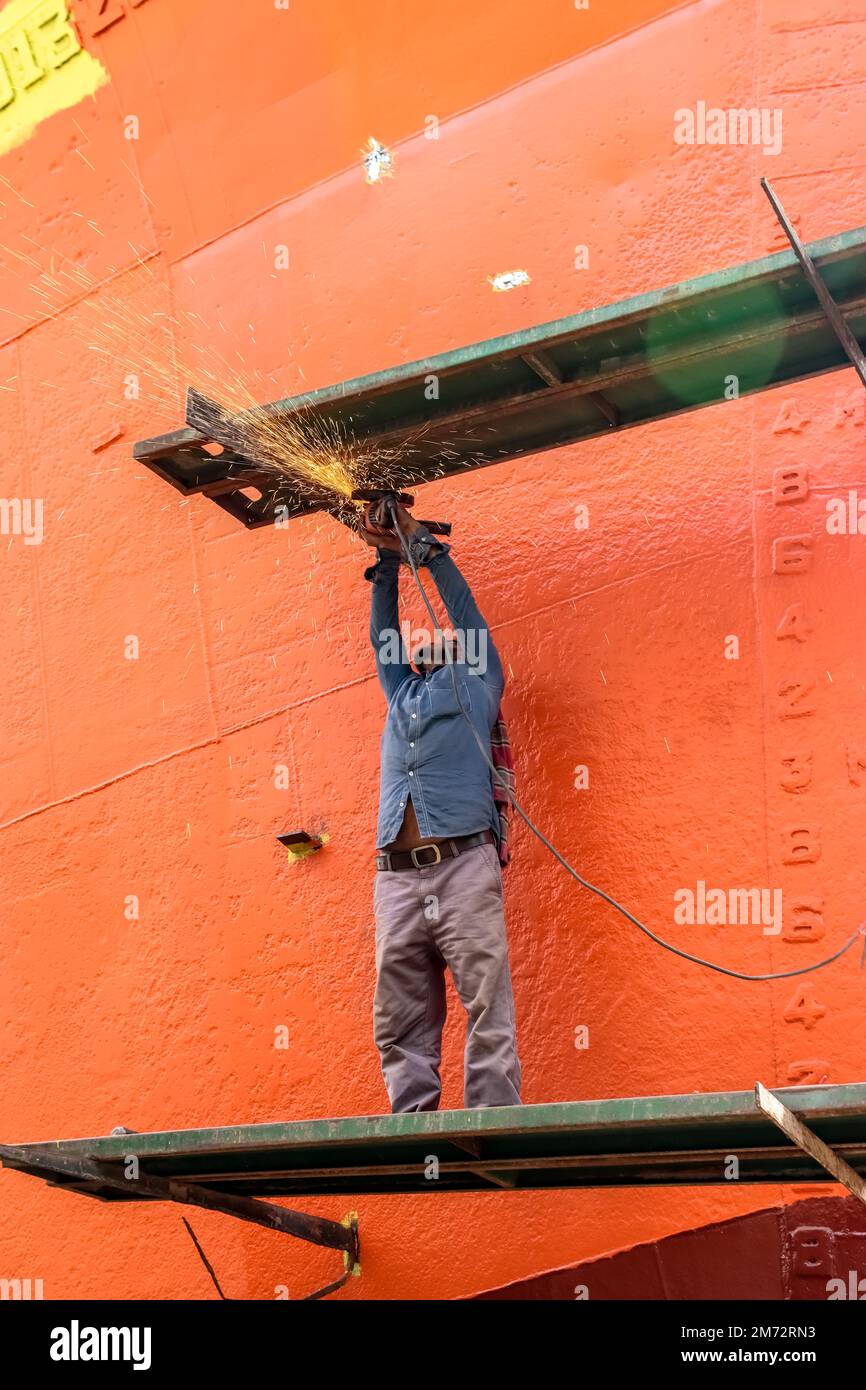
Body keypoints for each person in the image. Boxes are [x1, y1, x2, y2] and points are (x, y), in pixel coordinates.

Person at [359, 501, 521, 1112]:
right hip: (394, 878)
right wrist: (385, 558)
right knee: (398, 1009)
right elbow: (384, 637)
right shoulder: (402, 691)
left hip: (461, 865)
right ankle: (412, 1123)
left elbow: (465, 615)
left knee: (486, 999)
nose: (433, 646)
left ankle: (493, 1120)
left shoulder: (478, 682)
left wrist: (426, 549)